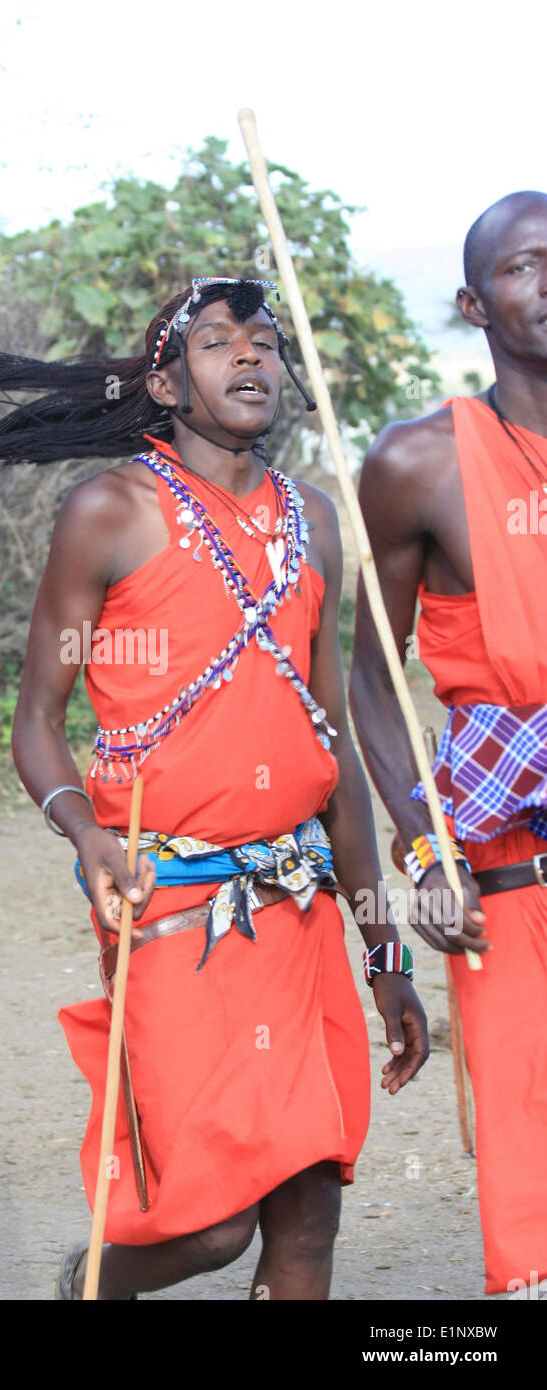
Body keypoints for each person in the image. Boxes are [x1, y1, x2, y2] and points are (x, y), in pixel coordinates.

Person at [0, 276, 428, 1300]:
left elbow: (327, 754)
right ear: (164, 378)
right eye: (215, 343)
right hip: (170, 904)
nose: (249, 358)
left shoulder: (313, 523)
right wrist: (84, 834)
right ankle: (92, 1284)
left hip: (295, 910)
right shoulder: (109, 512)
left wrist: (382, 950)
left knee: (308, 1211)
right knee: (209, 1225)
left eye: (264, 342)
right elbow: (35, 724)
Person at [349, 190, 547, 1297]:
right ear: (474, 302)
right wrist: (422, 849)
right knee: (528, 1194)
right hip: (511, 880)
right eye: (524, 267)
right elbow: (367, 676)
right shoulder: (414, 464)